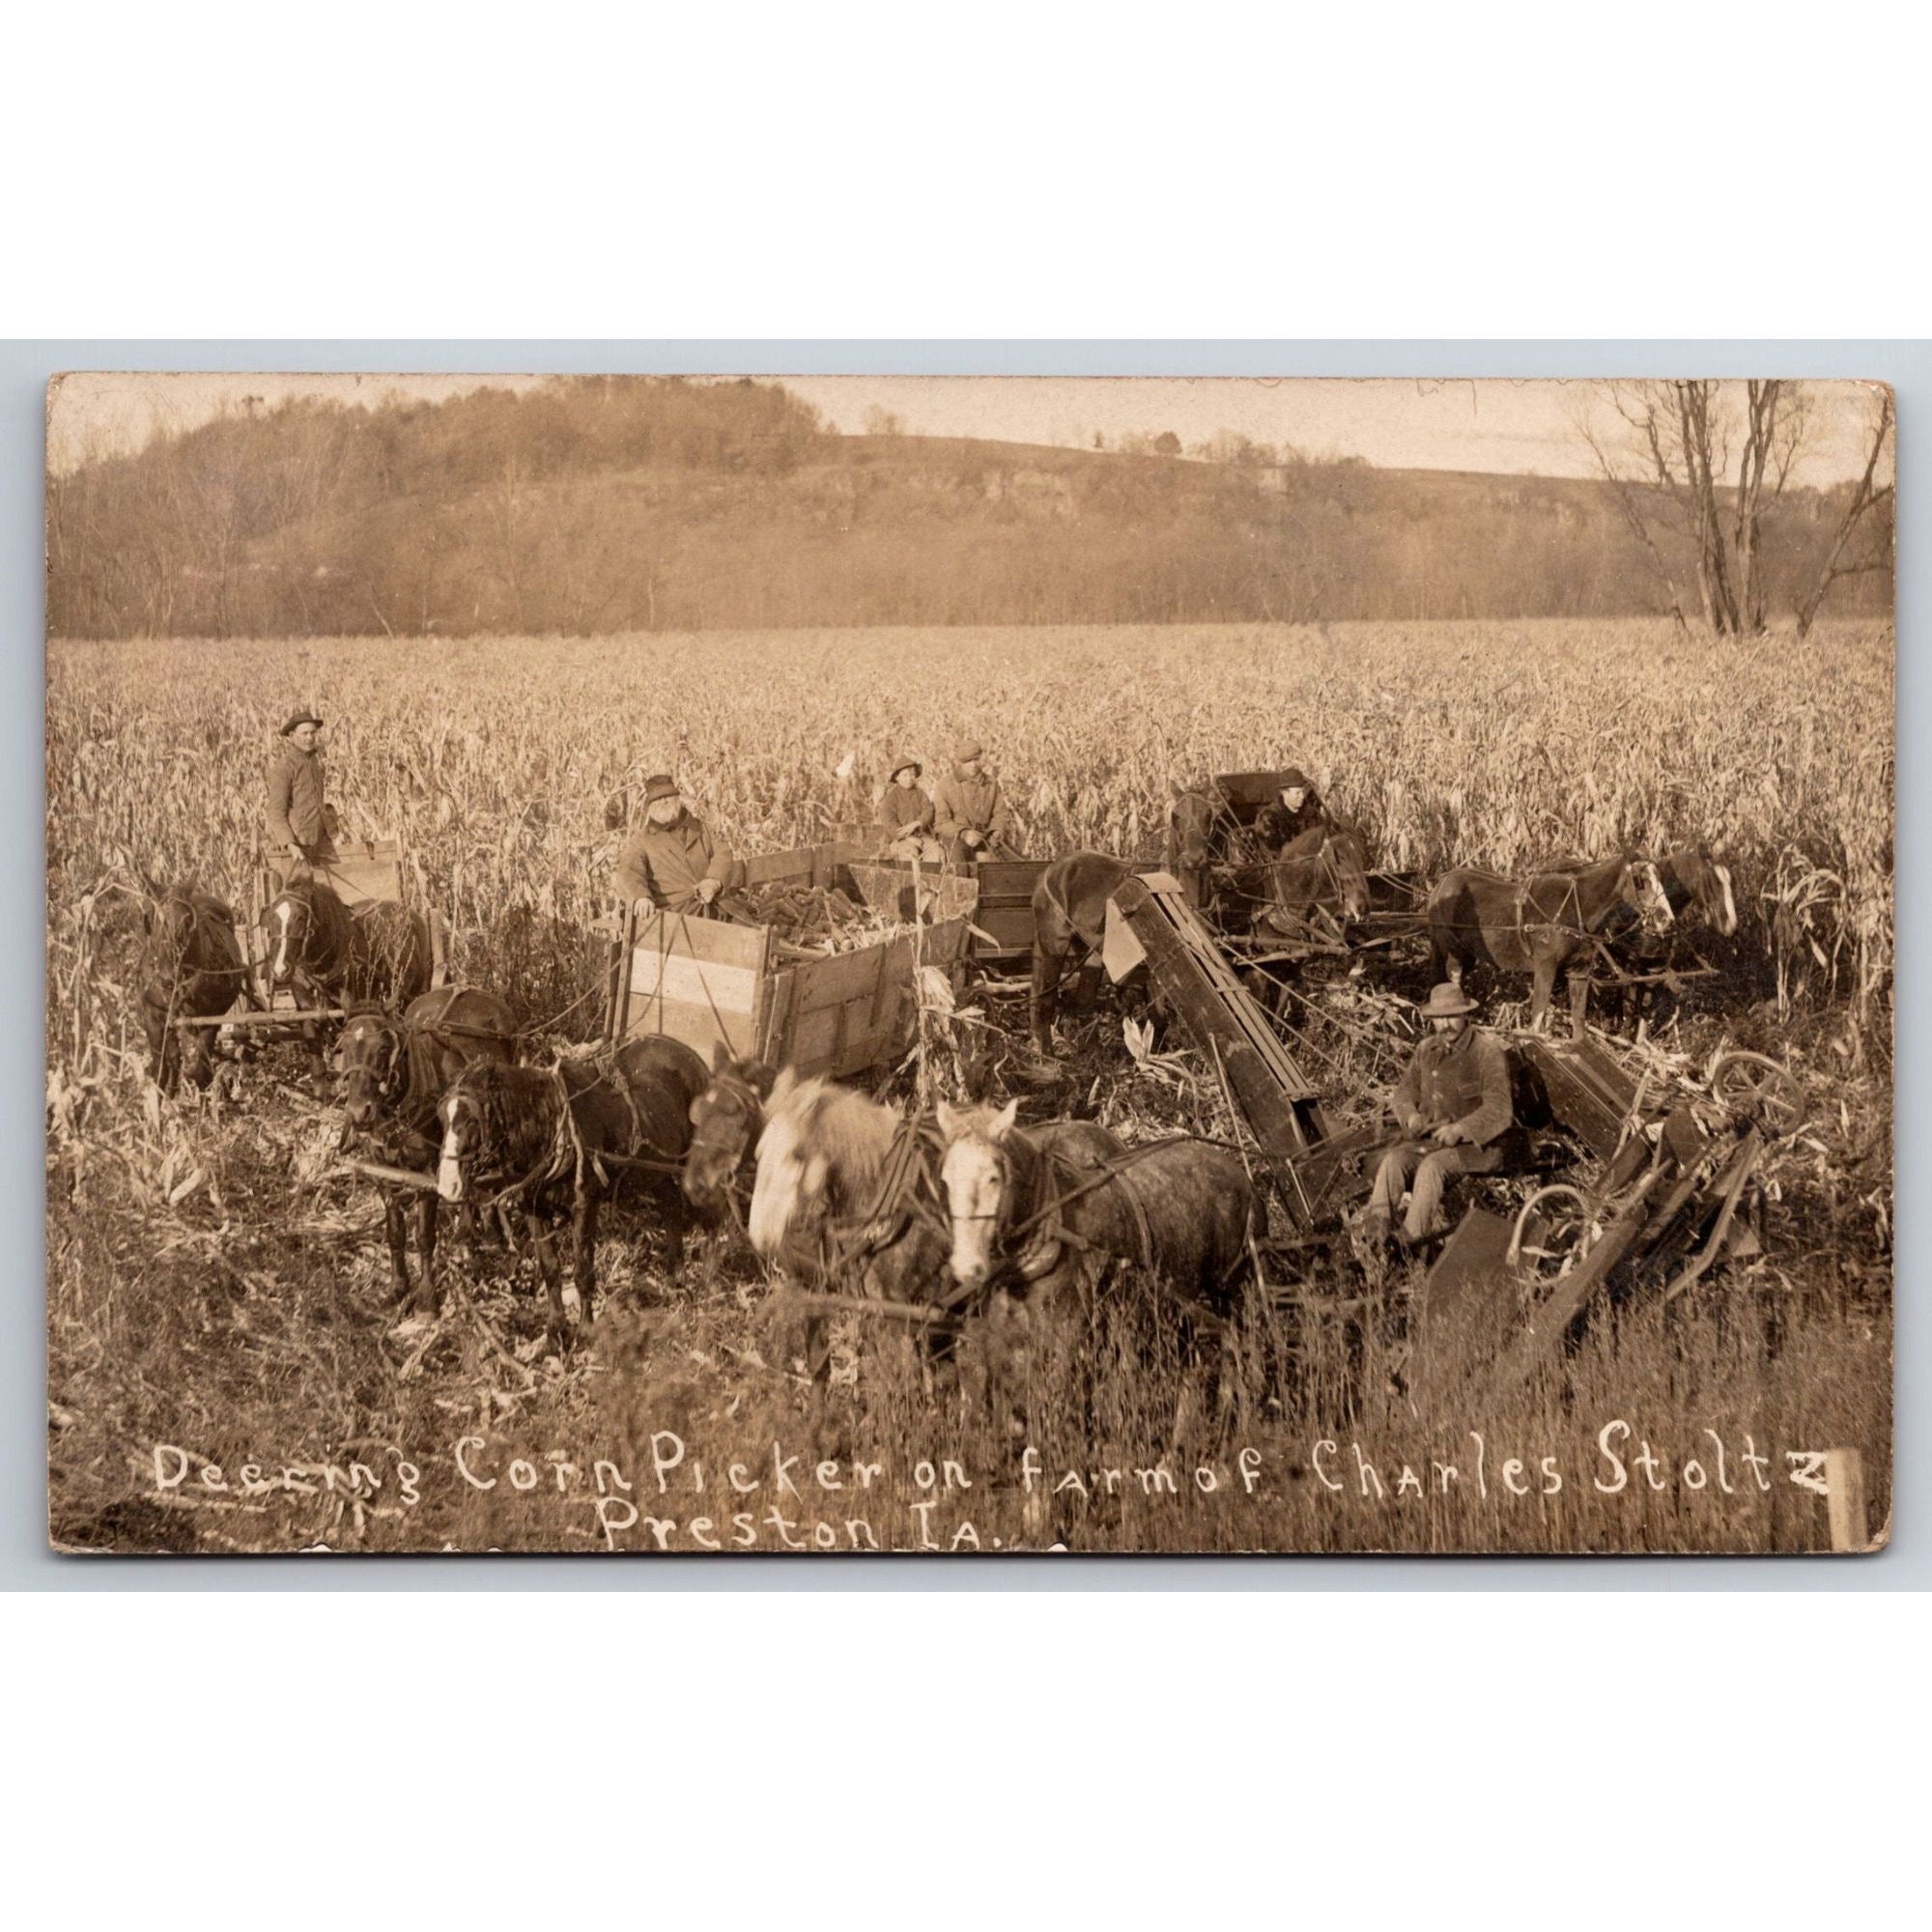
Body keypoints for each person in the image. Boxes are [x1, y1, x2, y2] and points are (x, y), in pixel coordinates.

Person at [1362, 981, 1515, 1248]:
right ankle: (1374, 1239)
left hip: (1478, 1147)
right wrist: (1410, 1116)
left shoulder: (1485, 1053)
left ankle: (1408, 1244)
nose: (1445, 1025)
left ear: (1466, 1014)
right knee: (1393, 1161)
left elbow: (1500, 1109)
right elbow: (1403, 1094)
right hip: (1432, 1143)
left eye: (1452, 1016)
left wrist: (1460, 1129)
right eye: (1438, 1018)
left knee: (1432, 1168)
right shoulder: (1426, 1050)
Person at [615, 774, 744, 917]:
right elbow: (628, 871)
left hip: (716, 907)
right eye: (657, 799)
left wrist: (713, 880)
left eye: (668, 796)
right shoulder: (642, 840)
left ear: (678, 799)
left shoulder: (701, 827)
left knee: (752, 935)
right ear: (649, 806)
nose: (664, 801)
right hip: (675, 914)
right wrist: (641, 897)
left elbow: (723, 852)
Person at [266, 707, 340, 888]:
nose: (309, 738)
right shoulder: (284, 767)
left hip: (320, 842)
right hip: (298, 847)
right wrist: (290, 845)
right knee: (301, 898)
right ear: (291, 736)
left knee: (334, 894)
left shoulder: (314, 763)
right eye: (304, 733)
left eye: (313, 733)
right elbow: (276, 811)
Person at [932, 738, 1014, 867]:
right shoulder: (945, 785)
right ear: (960, 763)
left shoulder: (991, 783)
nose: (974, 764)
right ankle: (962, 886)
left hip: (985, 837)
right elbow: (941, 822)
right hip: (955, 838)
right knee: (959, 860)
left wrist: (996, 831)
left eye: (976, 759)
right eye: (968, 761)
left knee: (1012, 862)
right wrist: (964, 833)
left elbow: (1000, 813)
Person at [875, 753, 942, 863]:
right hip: (899, 840)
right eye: (905, 775)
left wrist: (917, 823)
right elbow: (889, 822)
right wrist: (907, 838)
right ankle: (911, 880)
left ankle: (933, 879)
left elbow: (928, 810)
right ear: (897, 777)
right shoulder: (891, 797)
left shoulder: (920, 793)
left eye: (912, 774)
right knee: (910, 853)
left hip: (922, 837)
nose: (910, 778)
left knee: (937, 851)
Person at [1254, 768, 1329, 855]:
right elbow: (1274, 853)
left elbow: (1325, 835)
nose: (1302, 796)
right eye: (1297, 793)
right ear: (1285, 793)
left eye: (1303, 792)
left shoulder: (1311, 813)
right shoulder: (1269, 818)